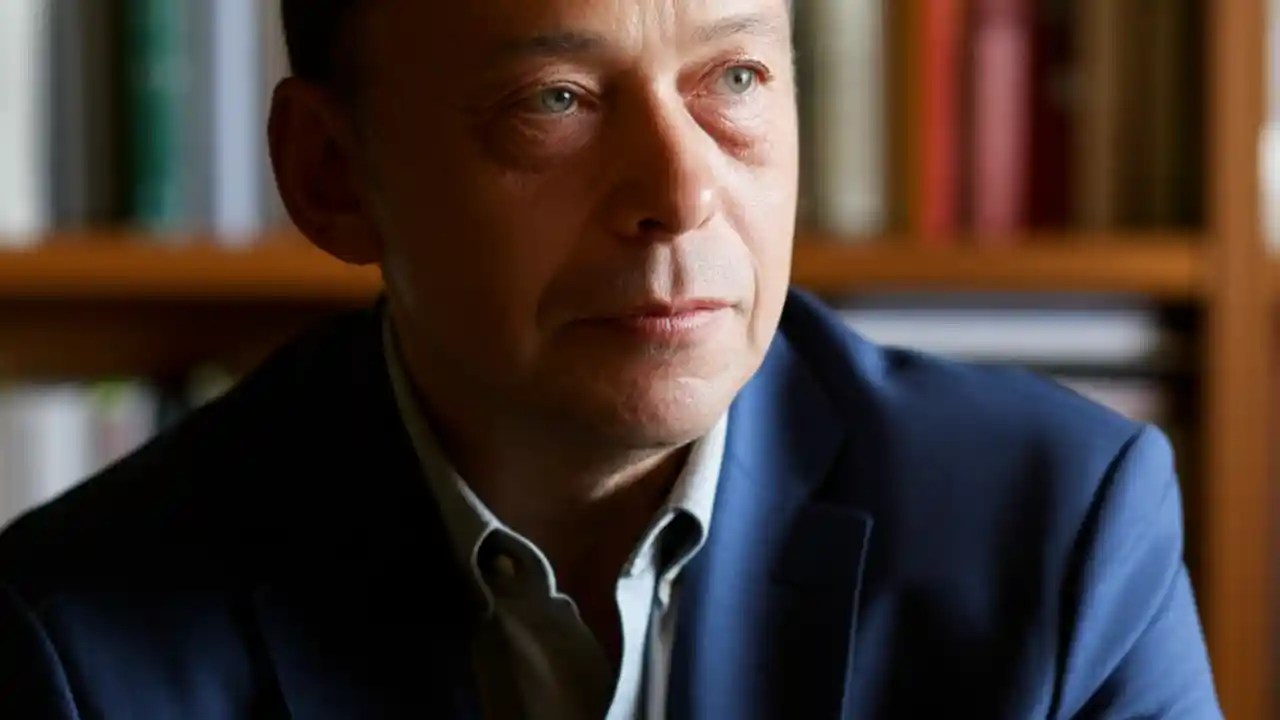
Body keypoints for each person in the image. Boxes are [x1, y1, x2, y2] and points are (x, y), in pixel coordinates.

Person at [0, 0, 1221, 717]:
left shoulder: (1056, 532)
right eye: (556, 100)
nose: (682, 192)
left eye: (733, 78)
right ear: (331, 174)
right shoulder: (79, 647)